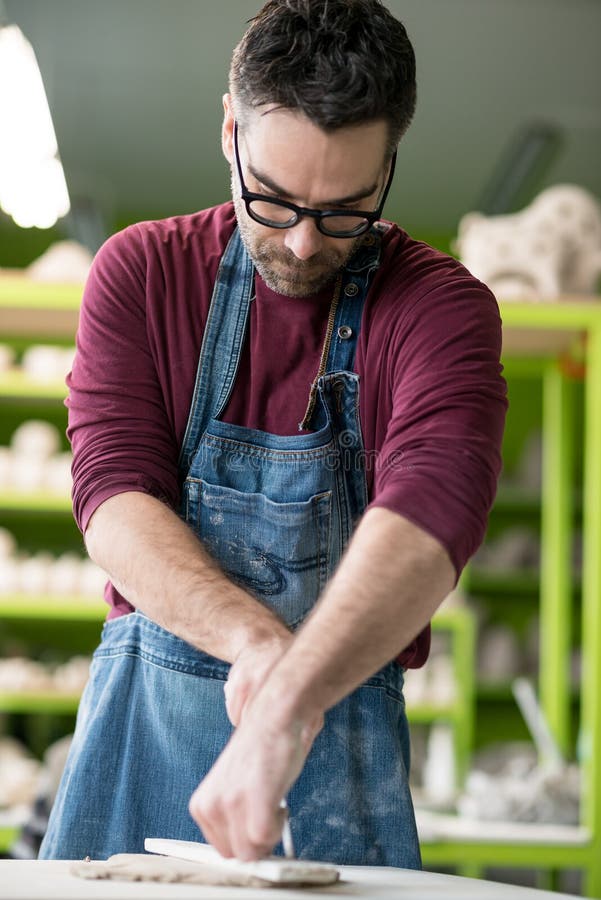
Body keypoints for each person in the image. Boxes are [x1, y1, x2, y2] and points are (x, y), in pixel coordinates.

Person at [39, 0, 506, 867]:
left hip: (342, 754)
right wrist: (257, 646)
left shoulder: (441, 307)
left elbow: (435, 507)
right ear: (229, 130)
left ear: (389, 164)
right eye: (273, 200)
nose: (298, 244)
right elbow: (112, 494)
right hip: (142, 729)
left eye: (344, 211)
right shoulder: (141, 274)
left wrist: (290, 699)